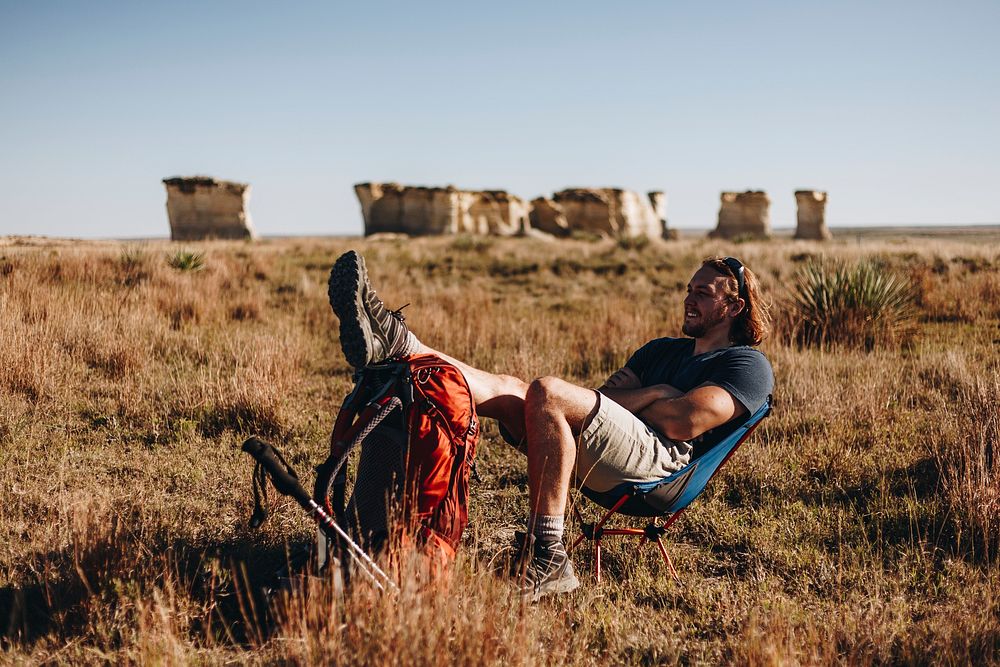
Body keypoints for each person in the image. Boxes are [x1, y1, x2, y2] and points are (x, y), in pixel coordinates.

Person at [327, 251, 774, 600]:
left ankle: (549, 554)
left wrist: (649, 404)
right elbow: (605, 400)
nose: (689, 298)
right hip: (619, 449)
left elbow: (683, 421)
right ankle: (402, 344)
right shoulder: (662, 351)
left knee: (548, 392)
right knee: (513, 390)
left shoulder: (746, 365)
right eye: (688, 288)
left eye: (703, 293)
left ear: (733, 307)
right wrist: (657, 394)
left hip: (664, 469)